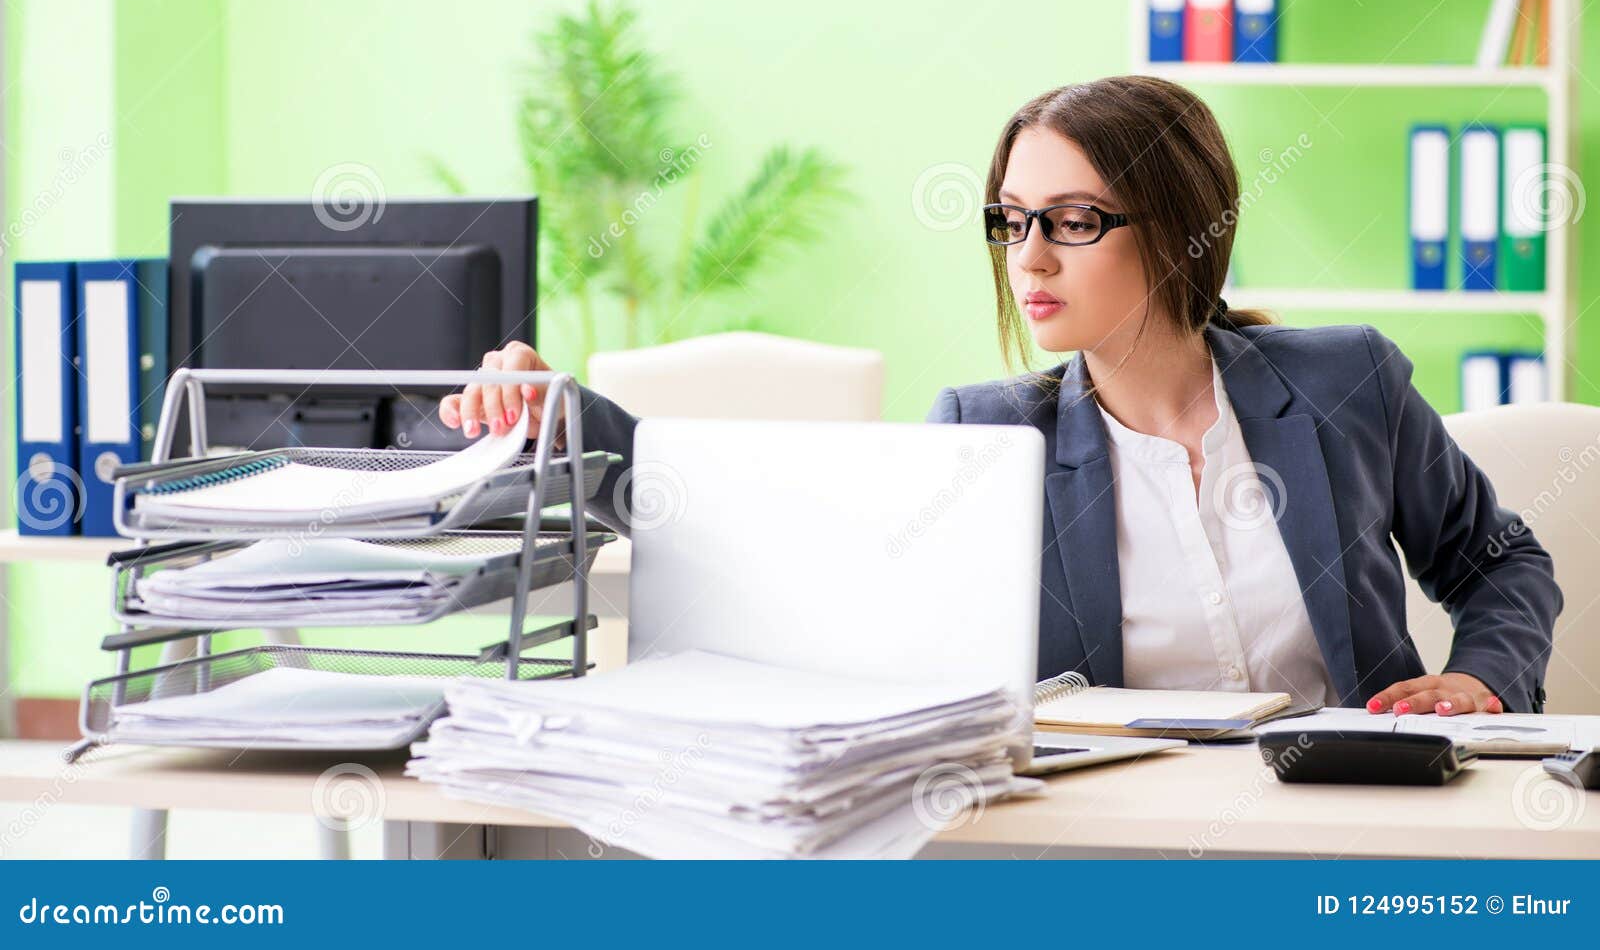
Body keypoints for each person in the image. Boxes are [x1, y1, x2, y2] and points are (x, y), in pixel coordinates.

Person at [440, 75, 1562, 716]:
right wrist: (574, 420)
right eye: (1011, 220)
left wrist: (1479, 680)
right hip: (1120, 842)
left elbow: (1500, 560)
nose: (1030, 257)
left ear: (1178, 229)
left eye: (1075, 221)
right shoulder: (987, 437)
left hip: (1353, 826)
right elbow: (784, 548)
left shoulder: (1341, 383)